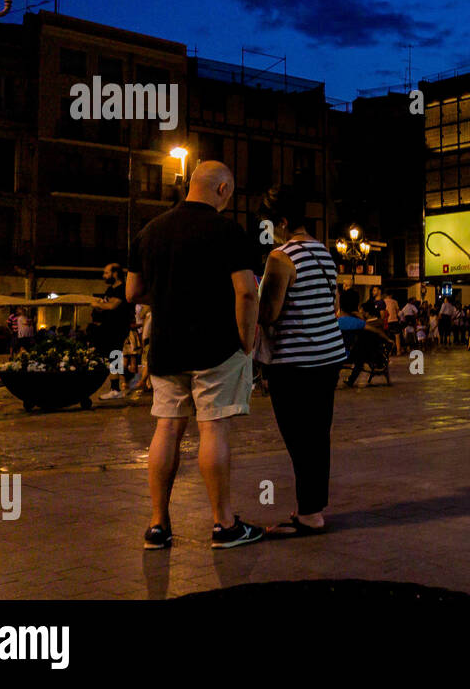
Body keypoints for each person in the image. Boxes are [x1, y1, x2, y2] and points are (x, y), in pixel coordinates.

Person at [126, 161, 264, 551]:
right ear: (222, 190)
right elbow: (247, 291)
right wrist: (247, 338)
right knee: (214, 428)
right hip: (216, 344)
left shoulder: (149, 232)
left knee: (167, 428)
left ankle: (158, 525)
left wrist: (171, 300)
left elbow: (133, 293)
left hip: (168, 346)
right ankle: (224, 524)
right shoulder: (228, 231)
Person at [256, 185, 344, 537]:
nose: (270, 232)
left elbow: (270, 314)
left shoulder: (281, 257)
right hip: (328, 356)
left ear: (283, 221)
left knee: (298, 438)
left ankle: (309, 513)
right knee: (317, 435)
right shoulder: (324, 253)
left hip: (295, 362)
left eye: (271, 224)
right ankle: (312, 508)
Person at [91, 264, 135, 400]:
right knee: (113, 357)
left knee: (114, 356)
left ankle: (115, 388)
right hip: (108, 328)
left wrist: (97, 304)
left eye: (106, 273)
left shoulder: (122, 289)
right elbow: (106, 305)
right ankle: (128, 378)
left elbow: (112, 305)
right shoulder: (110, 290)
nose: (104, 276)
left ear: (115, 273)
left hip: (118, 328)